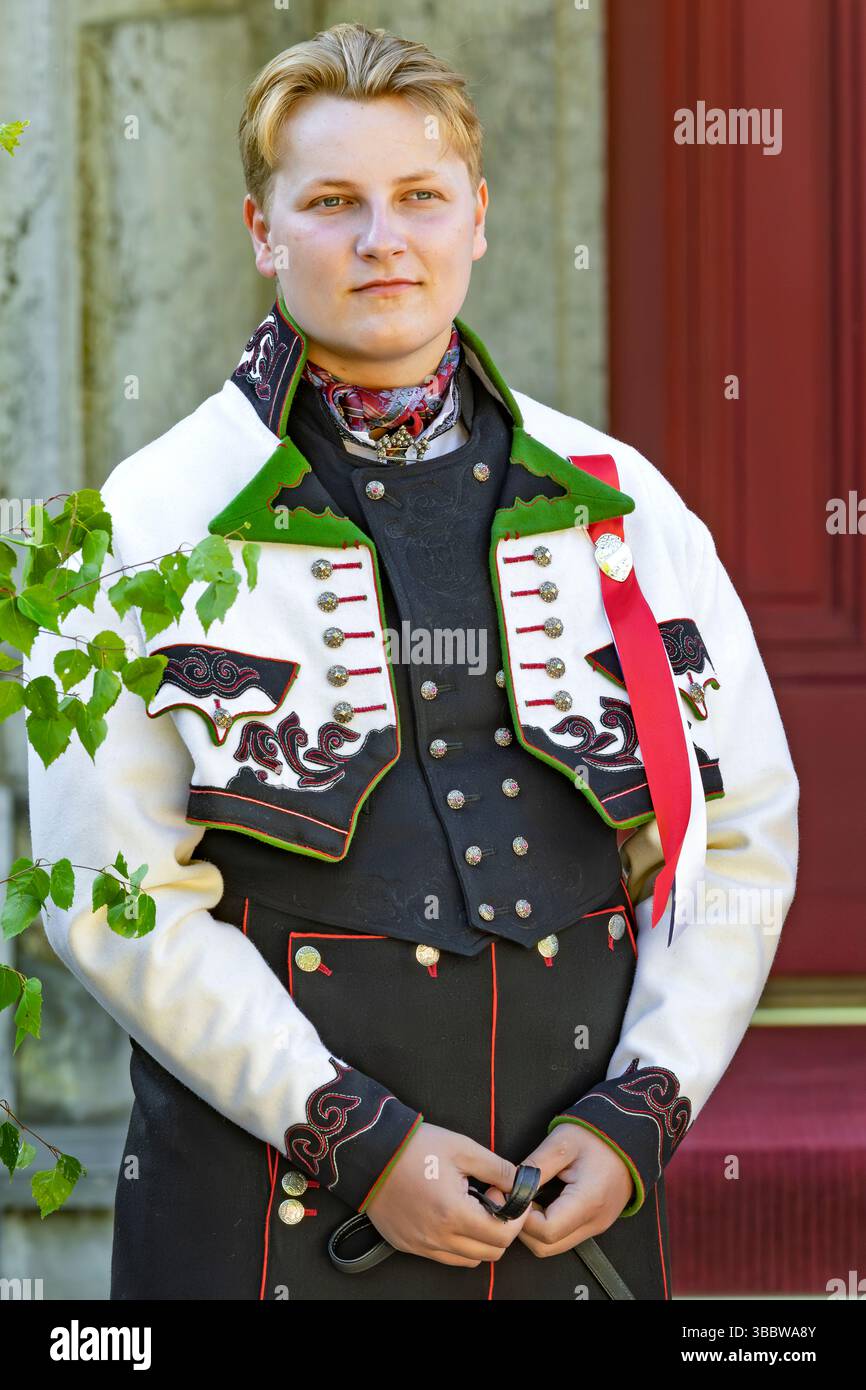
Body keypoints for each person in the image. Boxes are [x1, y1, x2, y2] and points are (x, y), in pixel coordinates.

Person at [25, 22, 799, 1301]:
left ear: (478, 218)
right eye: (332, 201)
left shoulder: (623, 507)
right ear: (262, 230)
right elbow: (116, 893)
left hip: (569, 1209)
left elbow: (740, 829)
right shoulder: (147, 525)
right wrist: (360, 1143)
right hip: (261, 1216)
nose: (383, 237)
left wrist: (641, 1111)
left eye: (419, 197)